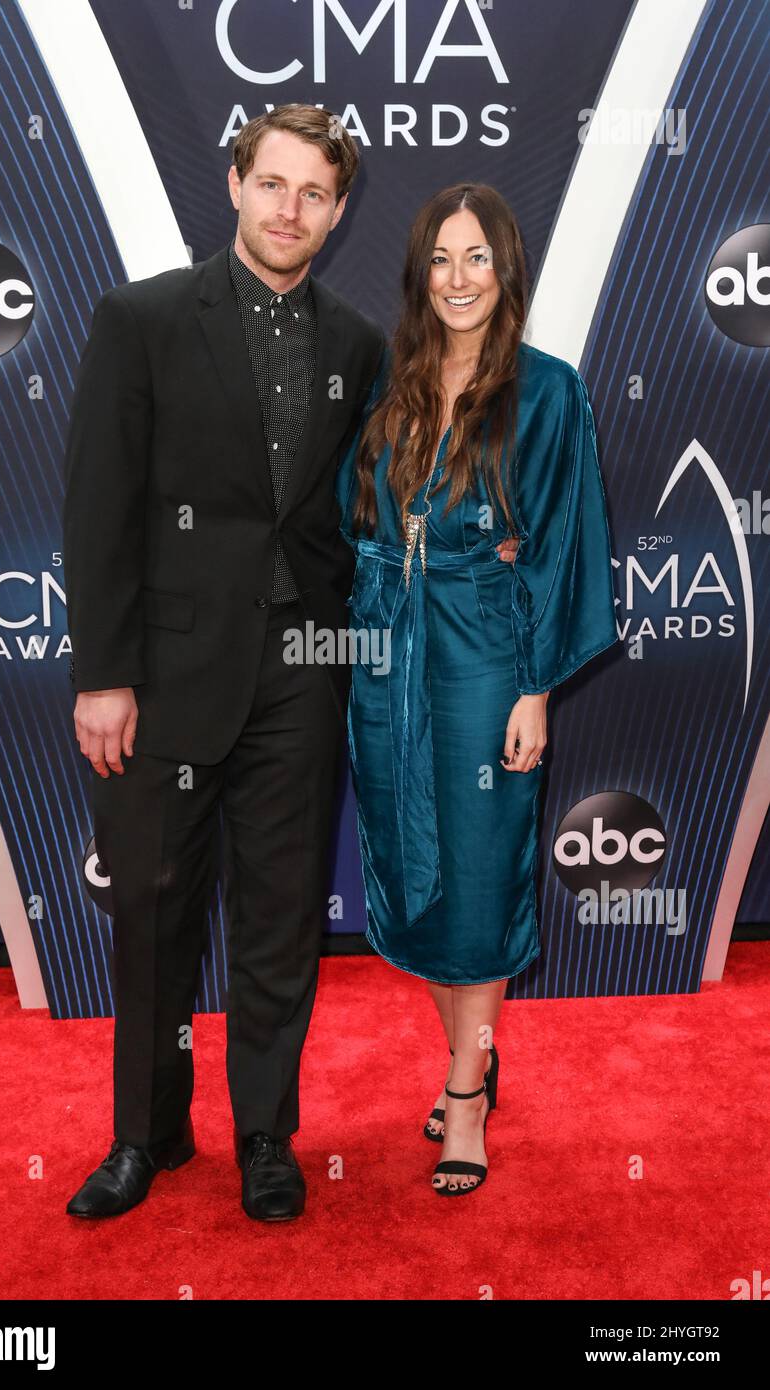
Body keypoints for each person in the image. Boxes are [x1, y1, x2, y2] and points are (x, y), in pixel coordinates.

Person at [61, 104, 396, 1223]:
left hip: (302, 668)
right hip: (163, 674)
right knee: (152, 911)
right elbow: (99, 507)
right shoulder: (142, 318)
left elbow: (359, 512)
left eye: (313, 193)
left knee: (279, 912)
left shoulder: (355, 343)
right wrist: (103, 675)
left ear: (337, 211)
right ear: (234, 184)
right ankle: (145, 1134)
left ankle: (265, 1136)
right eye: (272, 185)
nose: (289, 209)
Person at [336, 183, 618, 1196]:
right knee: (420, 875)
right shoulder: (388, 385)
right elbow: (350, 521)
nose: (457, 280)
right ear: (419, 275)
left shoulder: (545, 392)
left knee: (483, 875)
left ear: (505, 274)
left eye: (477, 260)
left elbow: (558, 546)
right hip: (387, 664)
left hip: (486, 661)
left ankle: (464, 1091)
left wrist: (534, 687)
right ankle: (472, 1059)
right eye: (440, 261)